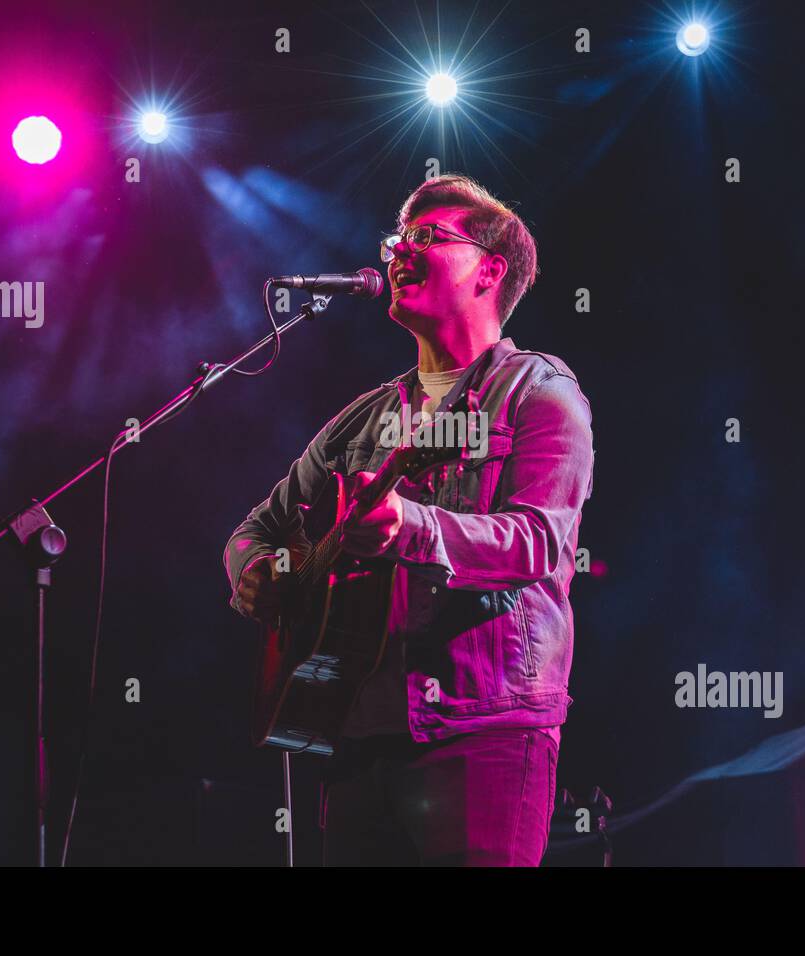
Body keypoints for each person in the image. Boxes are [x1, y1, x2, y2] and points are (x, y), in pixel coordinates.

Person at [224, 174, 594, 865]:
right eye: (398, 238)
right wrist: (255, 572)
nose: (399, 251)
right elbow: (256, 529)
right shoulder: (363, 418)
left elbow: (539, 540)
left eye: (427, 236)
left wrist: (413, 526)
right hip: (355, 729)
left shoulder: (539, 392)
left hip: (484, 731)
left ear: (490, 270)